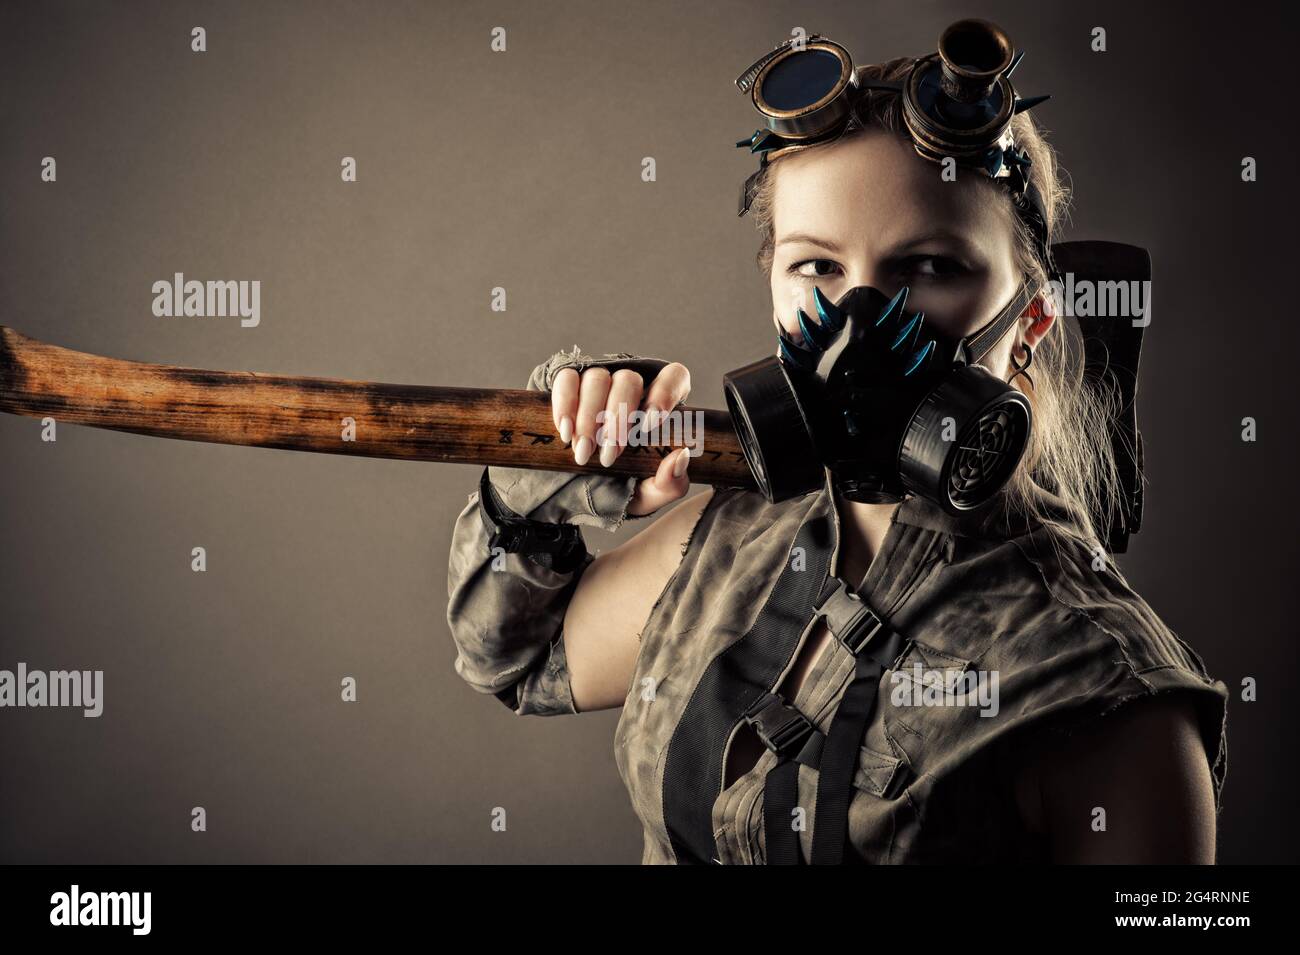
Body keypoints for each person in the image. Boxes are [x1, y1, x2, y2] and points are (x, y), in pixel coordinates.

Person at [445, 25, 1228, 864]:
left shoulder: (1102, 694)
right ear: (772, 278)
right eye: (816, 268)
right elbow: (518, 661)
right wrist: (550, 463)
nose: (858, 325)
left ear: (1031, 320)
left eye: (927, 267)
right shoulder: (730, 541)